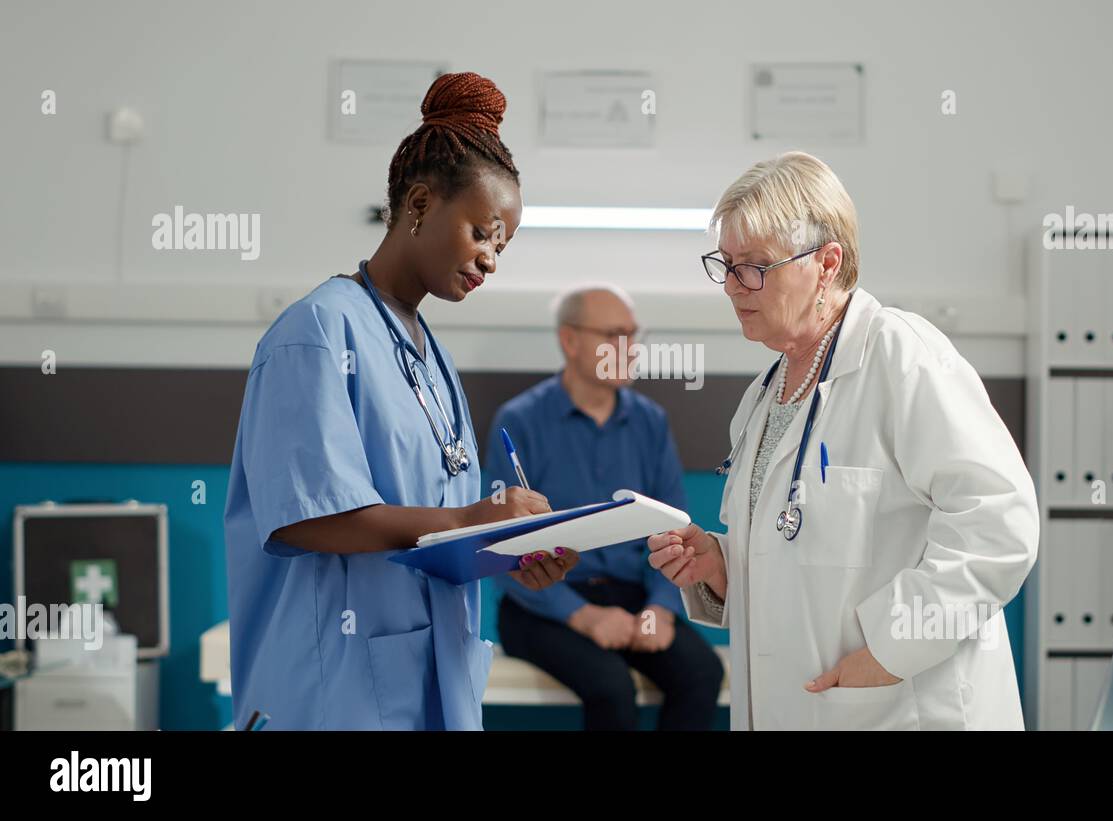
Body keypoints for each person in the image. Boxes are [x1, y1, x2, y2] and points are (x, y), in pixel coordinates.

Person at [224, 72, 577, 731]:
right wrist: (474, 518)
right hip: (333, 688)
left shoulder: (426, 351)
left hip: (426, 680)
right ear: (418, 204)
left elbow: (431, 528)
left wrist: (506, 549)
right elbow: (308, 519)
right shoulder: (317, 332)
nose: (491, 259)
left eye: (502, 245)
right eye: (483, 232)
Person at [648, 151, 1039, 730]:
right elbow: (804, 557)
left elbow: (999, 523)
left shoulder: (901, 357)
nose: (733, 286)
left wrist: (889, 651)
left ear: (826, 262)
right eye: (725, 264)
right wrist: (721, 566)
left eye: (755, 266)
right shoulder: (763, 396)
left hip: (901, 709)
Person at [487, 285, 724, 730]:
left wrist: (660, 608)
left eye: (634, 335)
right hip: (543, 603)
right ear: (570, 340)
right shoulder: (519, 421)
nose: (629, 349)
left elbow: (676, 529)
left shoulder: (650, 422)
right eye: (614, 335)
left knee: (702, 675)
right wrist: (583, 615)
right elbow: (504, 550)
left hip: (632, 601)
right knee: (611, 688)